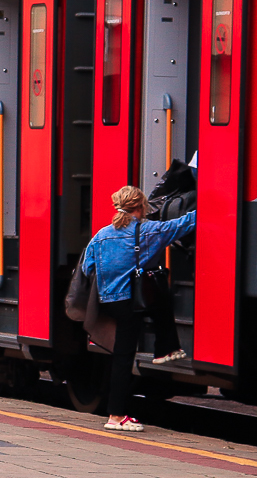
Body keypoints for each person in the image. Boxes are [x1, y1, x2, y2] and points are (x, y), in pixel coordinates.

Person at [80, 184, 197, 432]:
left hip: (109, 302)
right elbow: (183, 225)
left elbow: (86, 269)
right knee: (123, 359)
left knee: (122, 354)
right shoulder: (148, 232)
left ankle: (166, 348)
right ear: (142, 207)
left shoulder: (101, 235)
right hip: (131, 304)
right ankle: (116, 416)